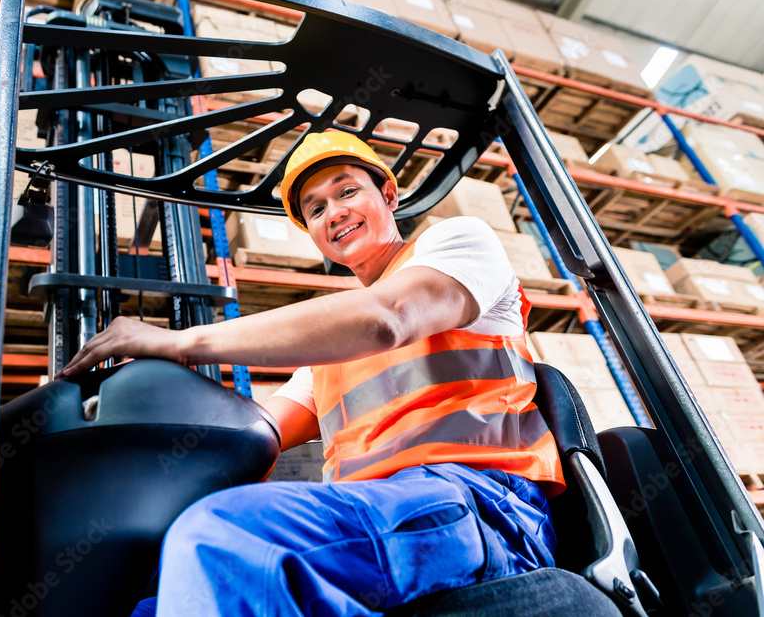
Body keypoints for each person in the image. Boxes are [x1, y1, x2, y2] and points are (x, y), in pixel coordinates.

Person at [56, 131, 566, 616]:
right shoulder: (328, 353)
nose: (334, 212)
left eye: (347, 191)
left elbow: (388, 319)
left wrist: (181, 342)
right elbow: (246, 434)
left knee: (226, 538)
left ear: (388, 193)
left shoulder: (456, 244)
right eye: (316, 209)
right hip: (382, 517)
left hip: (482, 506)